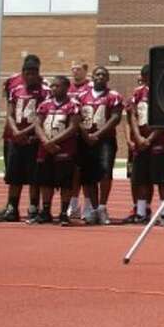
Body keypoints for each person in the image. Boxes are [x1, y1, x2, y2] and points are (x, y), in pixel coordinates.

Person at [0, 58, 48, 222]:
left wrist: (25, 132)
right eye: (27, 73)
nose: (30, 76)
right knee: (14, 176)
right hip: (16, 138)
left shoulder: (44, 91)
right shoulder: (15, 89)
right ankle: (12, 207)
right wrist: (16, 131)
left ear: (38, 73)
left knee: (34, 177)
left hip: (33, 139)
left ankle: (33, 207)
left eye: (33, 73)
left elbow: (42, 117)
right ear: (23, 73)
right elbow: (10, 114)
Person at [76, 66, 124, 225]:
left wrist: (97, 134)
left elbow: (115, 118)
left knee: (105, 173)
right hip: (86, 140)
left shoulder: (113, 96)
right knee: (89, 176)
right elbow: (76, 118)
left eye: (103, 75)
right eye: (97, 74)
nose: (100, 77)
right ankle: (94, 208)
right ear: (92, 77)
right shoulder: (81, 95)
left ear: (108, 78)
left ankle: (102, 207)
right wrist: (86, 135)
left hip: (105, 140)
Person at [32, 76, 80, 224]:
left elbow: (73, 127)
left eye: (57, 86)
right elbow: (38, 124)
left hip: (64, 149)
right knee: (45, 182)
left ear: (66, 87)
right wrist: (45, 141)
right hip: (45, 149)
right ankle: (45, 211)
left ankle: (64, 213)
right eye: (52, 86)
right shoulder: (45, 105)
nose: (53, 88)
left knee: (65, 183)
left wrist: (53, 141)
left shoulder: (73, 105)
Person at [123, 64, 164, 225]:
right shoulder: (137, 93)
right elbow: (132, 117)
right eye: (146, 77)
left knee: (161, 179)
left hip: (158, 142)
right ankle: (141, 212)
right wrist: (138, 137)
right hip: (140, 143)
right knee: (141, 178)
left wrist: (150, 139)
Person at [66, 59, 91, 219]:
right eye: (73, 68)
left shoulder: (91, 87)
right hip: (70, 136)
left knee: (86, 173)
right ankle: (73, 204)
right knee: (73, 172)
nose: (75, 71)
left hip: (86, 135)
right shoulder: (67, 87)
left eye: (78, 68)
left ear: (85, 70)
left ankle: (88, 205)